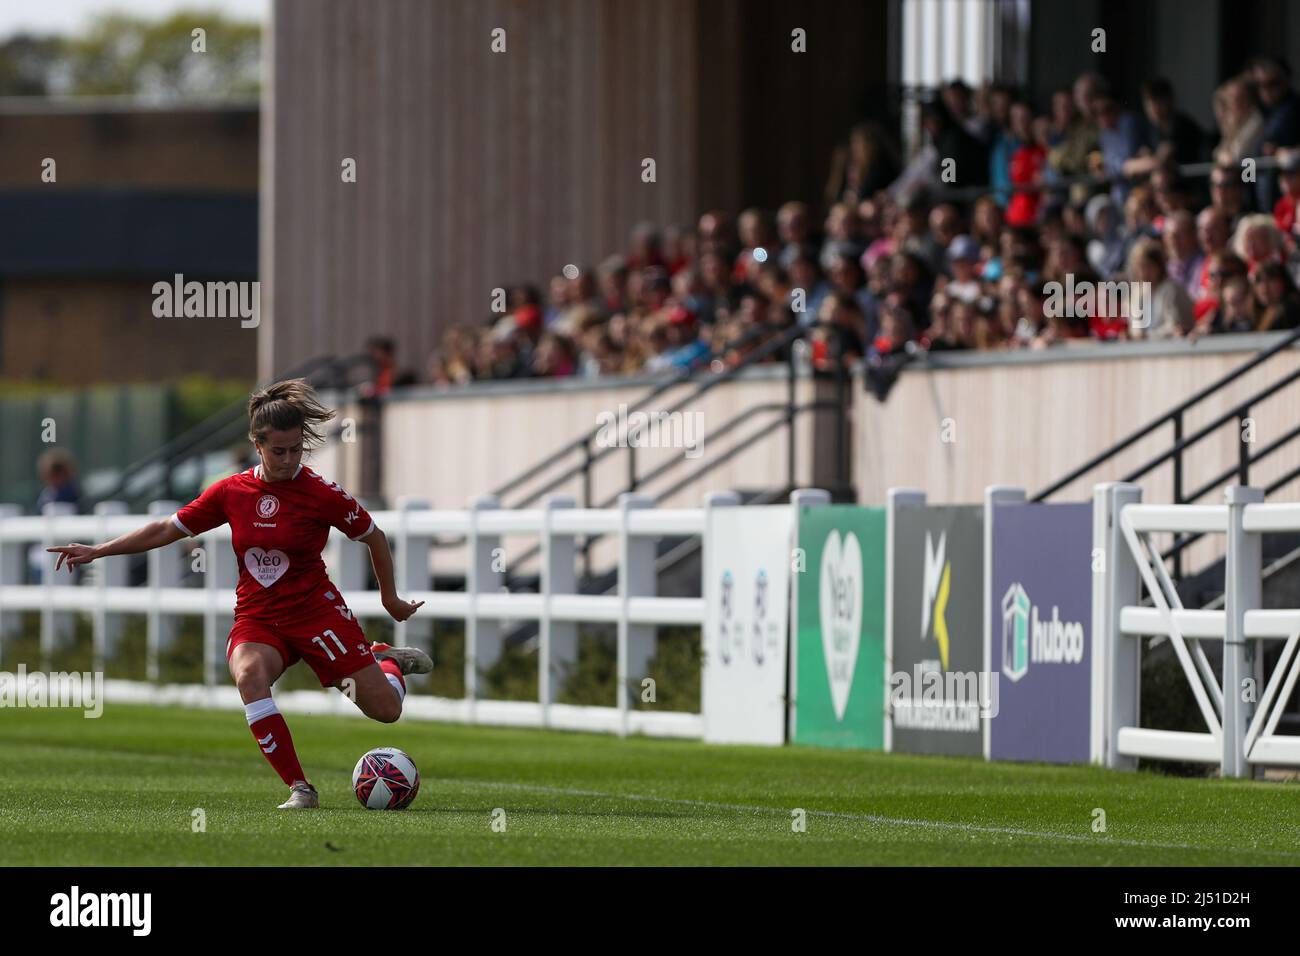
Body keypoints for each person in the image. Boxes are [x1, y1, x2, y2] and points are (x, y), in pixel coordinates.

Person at [46, 379, 431, 810]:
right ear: (257, 444)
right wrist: (100, 549)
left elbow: (374, 536)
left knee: (385, 711)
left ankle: (385, 662)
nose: (288, 460)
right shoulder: (231, 492)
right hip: (260, 618)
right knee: (248, 675)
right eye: (278, 451)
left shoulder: (321, 494)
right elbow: (166, 528)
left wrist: (390, 599)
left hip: (316, 614)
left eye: (295, 450)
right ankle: (301, 789)